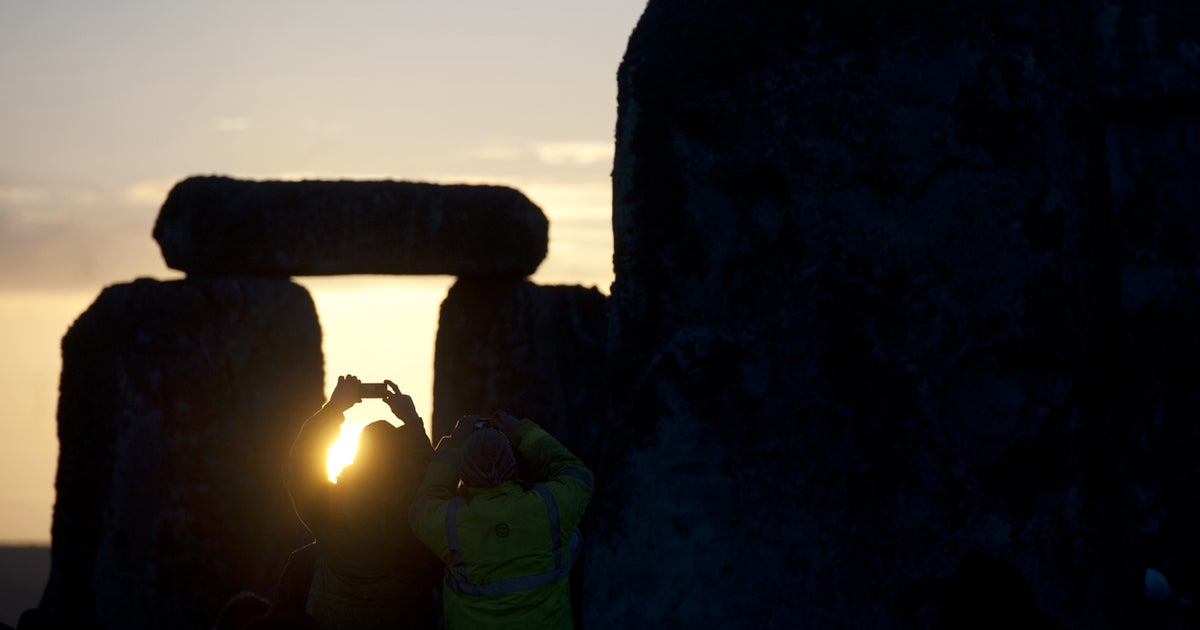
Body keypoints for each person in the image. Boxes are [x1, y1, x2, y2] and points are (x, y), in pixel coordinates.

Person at [409, 410, 593, 629]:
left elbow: (426, 501)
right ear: (513, 466)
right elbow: (576, 473)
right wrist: (523, 433)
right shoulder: (548, 506)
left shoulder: (451, 522)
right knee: (570, 539)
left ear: (463, 474)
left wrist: (455, 442)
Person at [284, 374, 441, 630]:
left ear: (359, 456)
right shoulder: (418, 508)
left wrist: (334, 408)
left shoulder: (331, 508)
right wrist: (412, 422)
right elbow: (431, 475)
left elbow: (300, 467)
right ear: (401, 461)